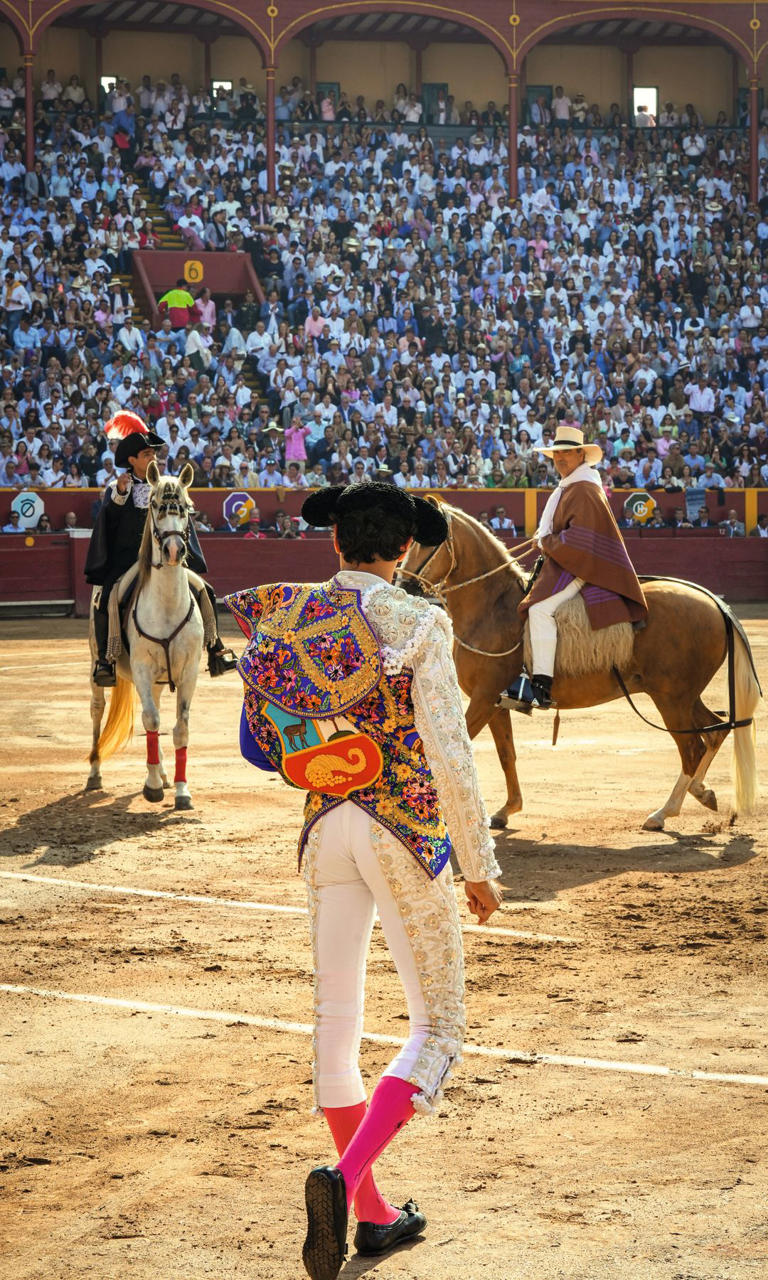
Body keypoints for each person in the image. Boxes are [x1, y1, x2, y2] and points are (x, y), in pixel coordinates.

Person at [225, 482, 503, 1280]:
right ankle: (347, 1184)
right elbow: (449, 750)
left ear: (335, 544)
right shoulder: (418, 621)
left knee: (336, 1017)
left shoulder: (286, 611)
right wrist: (478, 866)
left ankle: (376, 1214)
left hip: (324, 829)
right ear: (406, 550)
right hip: (403, 829)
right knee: (437, 1027)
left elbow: (259, 740)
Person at [501, 425, 647, 712]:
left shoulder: (582, 488)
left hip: (580, 566)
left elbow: (580, 540)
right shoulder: (574, 485)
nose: (560, 459)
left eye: (566, 453)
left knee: (539, 609)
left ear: (581, 454)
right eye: (557, 454)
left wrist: (546, 541)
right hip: (568, 561)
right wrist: (546, 541)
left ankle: (541, 685)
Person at [84, 410, 237, 686]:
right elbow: (110, 523)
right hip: (129, 562)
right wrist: (119, 495)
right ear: (131, 460)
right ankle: (106, 661)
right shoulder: (118, 487)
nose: (152, 458)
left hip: (165, 558)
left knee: (205, 590)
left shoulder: (165, 486)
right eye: (146, 455)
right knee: (107, 597)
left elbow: (181, 518)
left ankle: (216, 649)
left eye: (153, 454)